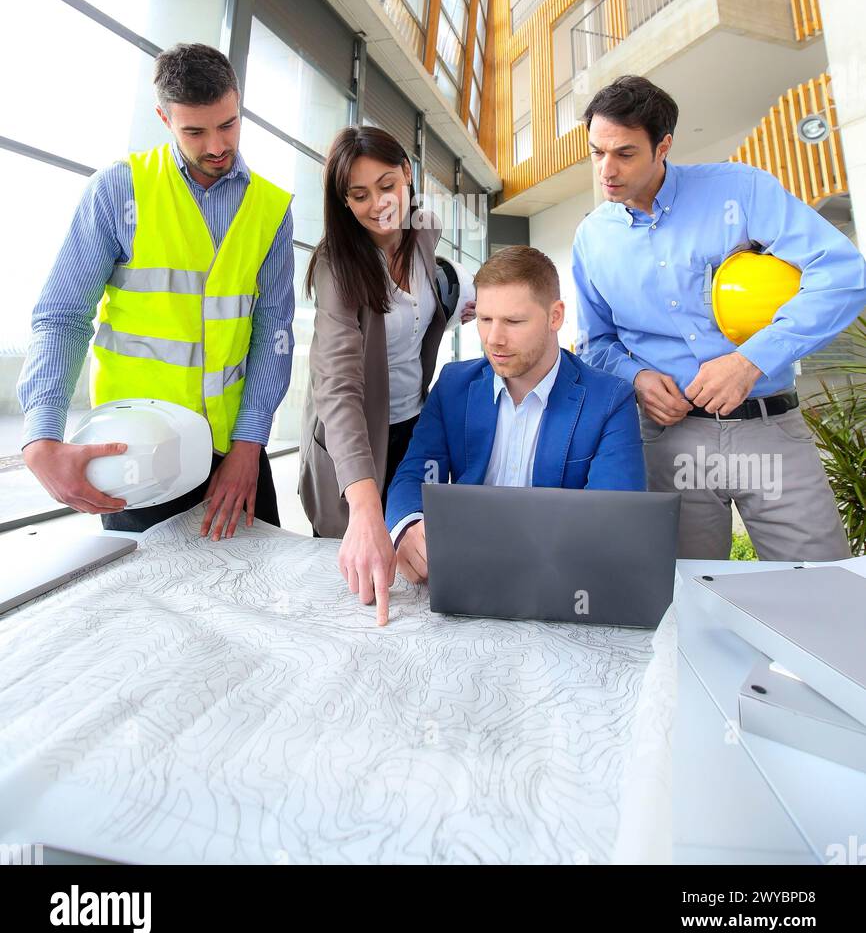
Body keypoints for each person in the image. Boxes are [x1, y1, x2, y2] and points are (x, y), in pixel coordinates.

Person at [571, 74, 866, 561]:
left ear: (663, 146)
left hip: (770, 428)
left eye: (624, 153)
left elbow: (843, 274)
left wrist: (751, 360)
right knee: (681, 599)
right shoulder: (592, 238)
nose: (606, 170)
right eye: (597, 152)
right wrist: (637, 377)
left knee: (821, 589)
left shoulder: (742, 191)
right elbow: (595, 342)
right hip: (667, 439)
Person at [18, 43, 295, 540]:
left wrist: (250, 445)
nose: (216, 144)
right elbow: (63, 315)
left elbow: (274, 329)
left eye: (228, 124)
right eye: (195, 131)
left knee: (252, 604)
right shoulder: (118, 192)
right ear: (163, 118)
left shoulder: (270, 209)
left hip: (232, 456)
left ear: (238, 103)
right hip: (136, 456)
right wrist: (41, 436)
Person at [384, 245, 646, 591]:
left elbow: (614, 517)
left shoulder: (610, 400)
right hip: (464, 579)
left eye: (513, 321)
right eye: (485, 320)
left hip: (562, 586)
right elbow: (413, 474)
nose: (494, 339)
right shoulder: (453, 386)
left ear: (555, 316)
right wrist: (408, 527)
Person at [298, 126, 474, 617]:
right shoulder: (338, 266)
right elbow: (338, 389)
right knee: (357, 587)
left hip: (412, 430)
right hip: (353, 442)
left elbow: (425, 303)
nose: (379, 204)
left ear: (408, 176)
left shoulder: (422, 236)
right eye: (359, 195)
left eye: (387, 185)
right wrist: (365, 505)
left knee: (419, 574)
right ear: (344, 202)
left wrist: (465, 297)